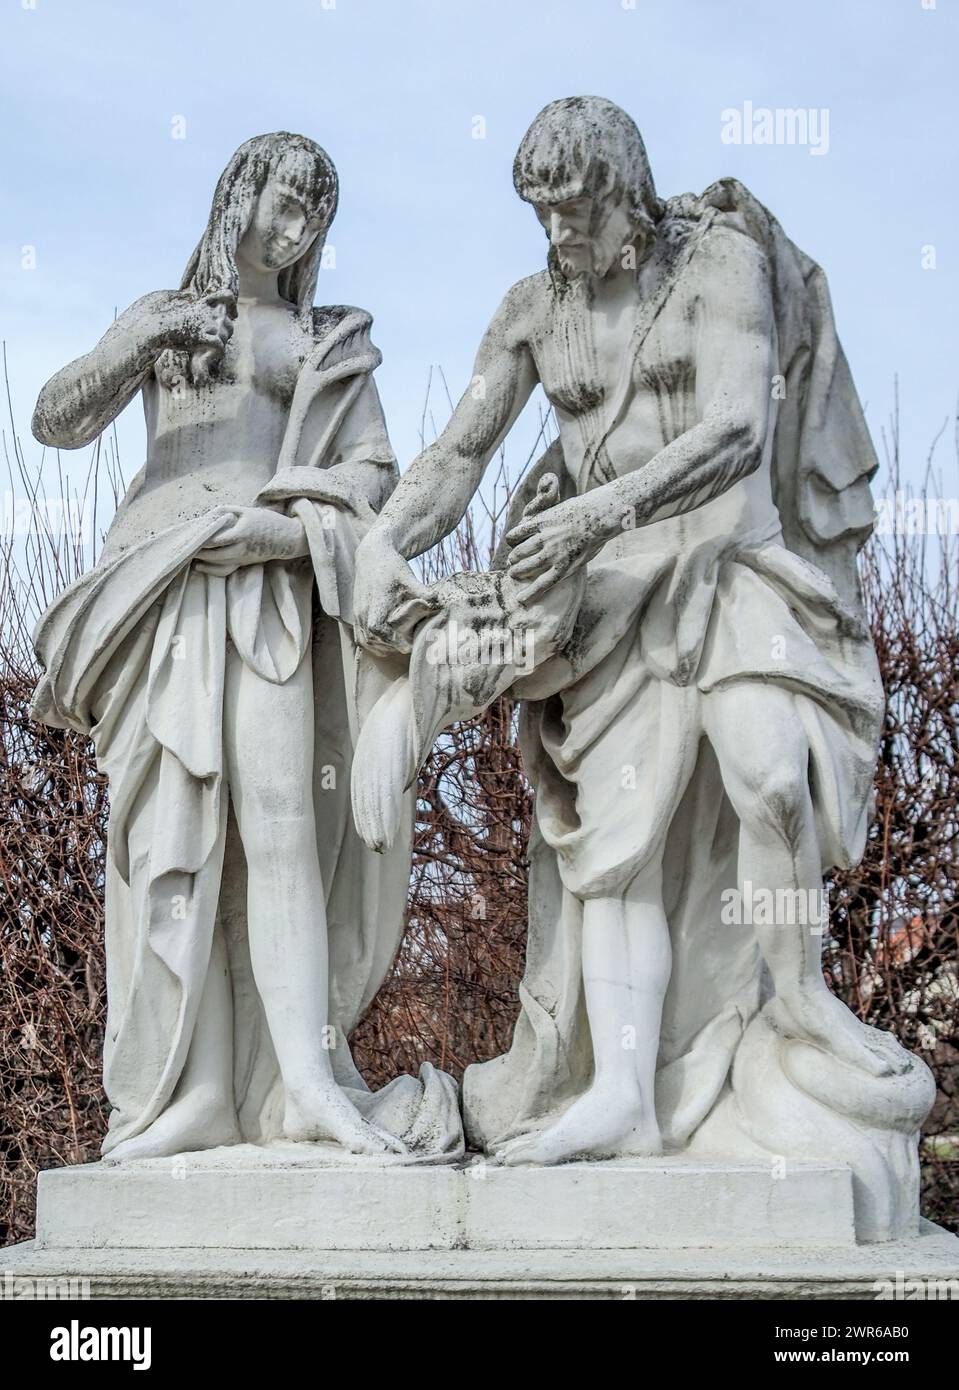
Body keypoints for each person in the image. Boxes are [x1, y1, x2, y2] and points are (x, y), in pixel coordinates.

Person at [31, 132, 460, 1162]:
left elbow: (371, 477)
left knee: (278, 827)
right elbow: (56, 417)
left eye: (317, 209)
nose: (298, 222)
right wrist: (136, 343)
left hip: (266, 582)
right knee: (170, 842)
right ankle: (193, 1090)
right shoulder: (165, 321)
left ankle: (306, 1076)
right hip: (162, 590)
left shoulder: (324, 338)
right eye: (284, 198)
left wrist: (285, 526)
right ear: (237, 197)